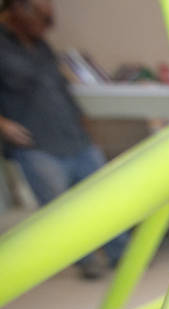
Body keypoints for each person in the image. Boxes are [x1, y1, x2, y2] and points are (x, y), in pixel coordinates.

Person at [0, 0, 126, 278]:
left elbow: (61, 89)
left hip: (74, 135)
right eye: (43, 19)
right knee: (61, 212)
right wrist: (3, 124)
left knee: (104, 199)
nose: (48, 27)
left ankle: (120, 254)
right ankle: (86, 263)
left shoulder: (41, 46)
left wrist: (85, 126)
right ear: (18, 9)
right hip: (38, 144)